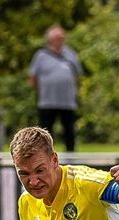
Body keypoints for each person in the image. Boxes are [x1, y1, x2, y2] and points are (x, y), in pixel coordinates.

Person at [29, 24, 83, 152]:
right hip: (47, 102)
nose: (61, 41)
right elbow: (33, 78)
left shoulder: (71, 54)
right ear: (50, 40)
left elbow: (77, 76)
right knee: (45, 132)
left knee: (69, 130)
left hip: (68, 102)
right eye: (58, 38)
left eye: (62, 38)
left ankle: (71, 156)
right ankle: (44, 155)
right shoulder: (41, 55)